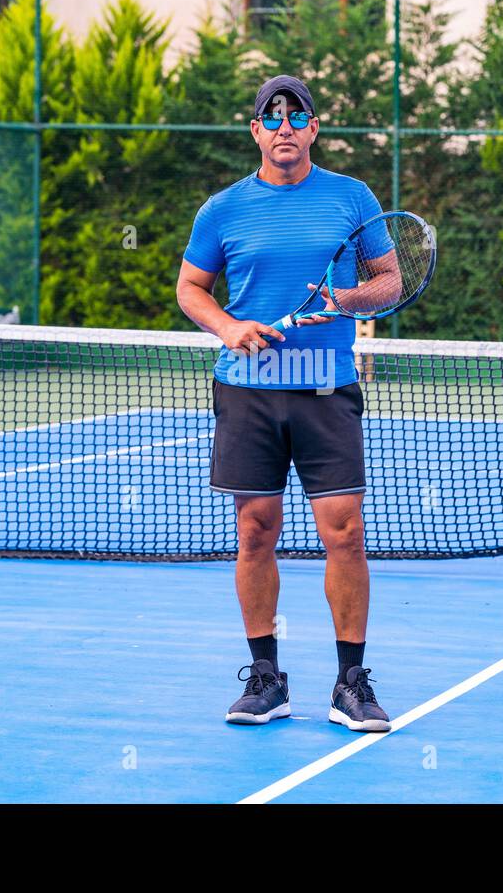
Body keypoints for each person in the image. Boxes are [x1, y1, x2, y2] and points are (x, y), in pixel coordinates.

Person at [176, 74, 391, 732]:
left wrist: (343, 301)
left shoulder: (353, 199)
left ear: (314, 129)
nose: (285, 129)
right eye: (273, 120)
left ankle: (351, 683)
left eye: (297, 118)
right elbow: (191, 288)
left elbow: (388, 282)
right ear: (256, 132)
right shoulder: (222, 209)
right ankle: (266, 679)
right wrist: (229, 328)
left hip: (326, 389)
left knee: (345, 532)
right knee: (254, 531)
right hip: (247, 393)